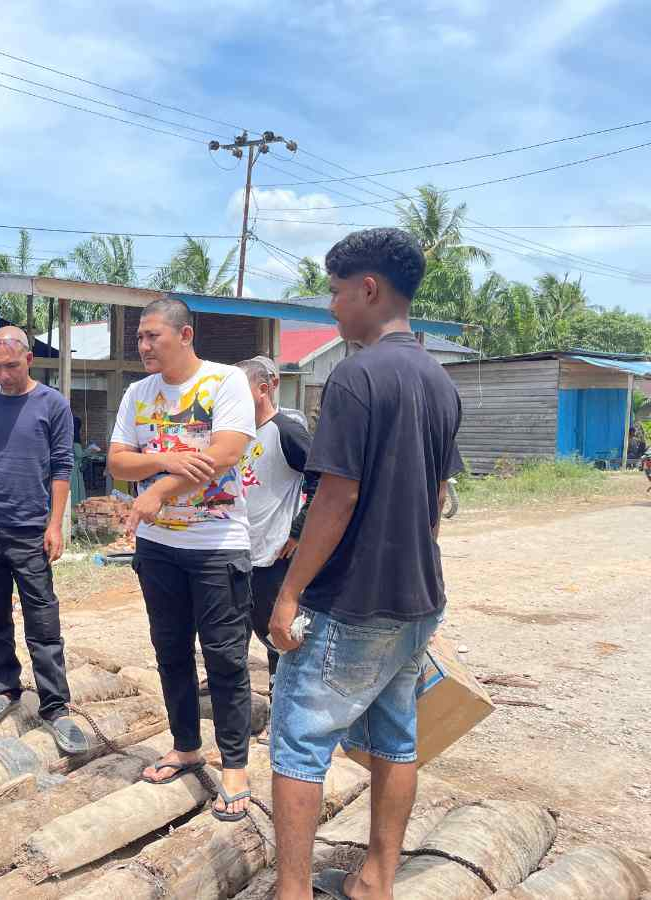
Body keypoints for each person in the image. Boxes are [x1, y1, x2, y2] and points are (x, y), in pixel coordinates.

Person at [267, 228, 463, 900]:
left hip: (351, 603)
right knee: (395, 737)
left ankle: (291, 890)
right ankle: (376, 877)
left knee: (298, 744)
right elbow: (436, 497)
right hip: (417, 597)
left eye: (335, 290)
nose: (331, 307)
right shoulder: (440, 380)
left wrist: (289, 593)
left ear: (369, 288)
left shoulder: (355, 376)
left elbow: (337, 496)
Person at [107, 297, 258, 821]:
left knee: (225, 658)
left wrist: (155, 493)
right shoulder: (136, 393)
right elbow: (118, 462)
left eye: (153, 336)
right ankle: (187, 744)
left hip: (216, 547)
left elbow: (224, 455)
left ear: (185, 335)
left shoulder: (225, 383)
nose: (143, 346)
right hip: (160, 551)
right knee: (170, 651)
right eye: (140, 338)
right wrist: (168, 459)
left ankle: (234, 764)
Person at [0, 326, 88, 754]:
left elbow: (62, 467)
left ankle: (55, 706)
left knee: (43, 622)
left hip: (31, 531)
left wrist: (55, 525)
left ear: (28, 360)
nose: (4, 374)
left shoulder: (52, 404)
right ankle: (4, 688)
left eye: (11, 366)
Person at [235, 356, 317, 705]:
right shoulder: (238, 435)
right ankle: (240, 697)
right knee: (240, 627)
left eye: (238, 389)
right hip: (241, 549)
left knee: (278, 630)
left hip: (276, 553)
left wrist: (298, 530)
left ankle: (286, 702)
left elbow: (325, 481)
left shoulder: (286, 431)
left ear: (264, 389)